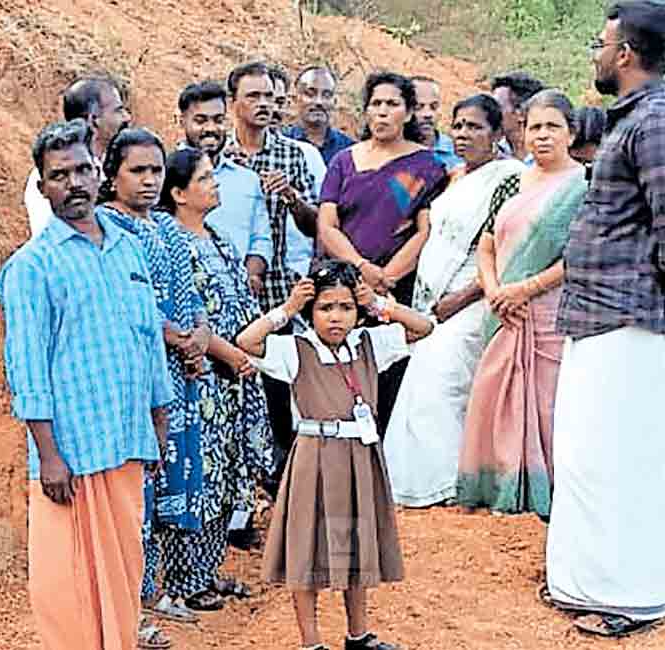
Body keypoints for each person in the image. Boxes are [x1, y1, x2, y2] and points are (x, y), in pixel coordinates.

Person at [544, 1, 665, 638]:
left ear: (626, 54)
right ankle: (581, 582)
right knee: (585, 453)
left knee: (620, 459)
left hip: (628, 315)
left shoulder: (660, 121)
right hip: (596, 315)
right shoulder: (630, 119)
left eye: (600, 43)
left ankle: (631, 596)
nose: (596, 53)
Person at [0, 119, 171, 650]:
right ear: (43, 186)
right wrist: (48, 454)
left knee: (122, 580)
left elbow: (149, 344)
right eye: (58, 175)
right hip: (69, 456)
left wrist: (158, 425)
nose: (73, 183)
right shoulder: (31, 267)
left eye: (81, 170)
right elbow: (26, 367)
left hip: (125, 442)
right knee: (67, 588)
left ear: (98, 173)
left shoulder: (129, 250)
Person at [236, 261, 435, 650]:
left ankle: (357, 635)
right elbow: (247, 342)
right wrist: (286, 310)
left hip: (359, 455)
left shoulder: (368, 343)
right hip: (315, 456)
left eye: (345, 307)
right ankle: (311, 642)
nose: (336, 317)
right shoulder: (296, 349)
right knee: (307, 550)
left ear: (357, 310)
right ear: (311, 312)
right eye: (325, 308)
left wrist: (379, 303)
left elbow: (423, 327)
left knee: (356, 544)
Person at [383, 94, 526, 507]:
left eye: (475, 127)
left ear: (498, 134)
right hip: (434, 302)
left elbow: (502, 250)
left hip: (472, 298)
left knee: (444, 386)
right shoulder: (454, 176)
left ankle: (450, 486)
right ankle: (417, 486)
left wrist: (461, 298)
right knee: (420, 388)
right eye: (458, 126)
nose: (463, 134)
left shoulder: (510, 178)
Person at [96, 128, 214, 627]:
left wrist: (201, 336)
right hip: (140, 371)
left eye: (156, 171)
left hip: (181, 372)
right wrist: (174, 337)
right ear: (113, 175)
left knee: (175, 476)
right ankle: (132, 600)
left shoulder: (167, 226)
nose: (148, 180)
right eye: (136, 171)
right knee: (138, 486)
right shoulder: (106, 225)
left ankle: (161, 590)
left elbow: (193, 290)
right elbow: (125, 297)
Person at [455, 90, 586, 517]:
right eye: (534, 127)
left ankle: (544, 496)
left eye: (553, 127)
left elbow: (578, 257)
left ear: (572, 132)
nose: (542, 136)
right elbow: (486, 245)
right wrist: (495, 290)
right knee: (495, 395)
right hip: (501, 311)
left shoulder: (584, 186)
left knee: (547, 403)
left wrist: (523, 289)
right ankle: (497, 489)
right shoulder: (511, 182)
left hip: (546, 312)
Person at [160, 148, 275, 606]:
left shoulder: (220, 240)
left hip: (235, 376)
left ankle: (208, 571)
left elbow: (239, 306)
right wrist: (230, 354)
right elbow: (189, 317)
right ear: (179, 193)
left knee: (227, 474)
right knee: (199, 476)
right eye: (205, 179)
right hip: (201, 377)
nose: (216, 184)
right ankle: (186, 581)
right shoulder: (174, 244)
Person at [317, 71, 448, 432]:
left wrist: (386, 278)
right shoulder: (344, 161)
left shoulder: (427, 166)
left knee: (389, 377)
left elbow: (425, 231)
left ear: (408, 113)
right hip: (342, 287)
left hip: (395, 290)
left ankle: (384, 471)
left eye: (392, 104)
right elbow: (327, 224)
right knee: (339, 373)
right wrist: (360, 268)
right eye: (376, 104)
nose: (383, 112)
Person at [221, 61, 323, 496]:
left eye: (270, 98)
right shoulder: (216, 158)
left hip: (282, 285)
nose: (264, 105)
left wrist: (291, 197)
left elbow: (314, 224)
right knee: (235, 381)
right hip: (230, 285)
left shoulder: (293, 154)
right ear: (233, 104)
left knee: (281, 387)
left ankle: (282, 480)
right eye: (254, 97)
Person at [179, 80, 271, 298]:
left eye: (218, 120)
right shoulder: (165, 176)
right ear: (181, 121)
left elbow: (261, 239)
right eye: (200, 120)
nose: (211, 128)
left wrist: (250, 275)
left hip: (238, 302)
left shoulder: (247, 180)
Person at [24, 76, 132, 238]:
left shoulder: (114, 167)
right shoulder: (48, 177)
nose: (126, 118)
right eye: (118, 110)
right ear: (93, 120)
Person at [285, 66, 357, 165]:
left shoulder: (349, 151)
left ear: (335, 102)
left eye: (326, 95)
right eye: (310, 94)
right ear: (296, 99)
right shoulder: (282, 144)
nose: (319, 102)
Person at [489, 71, 545, 161]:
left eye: (497, 106)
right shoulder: (488, 152)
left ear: (521, 113)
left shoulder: (550, 155)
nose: (490, 112)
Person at [412, 75, 462, 169]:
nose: (428, 114)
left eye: (433, 107)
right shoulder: (392, 150)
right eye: (418, 107)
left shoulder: (457, 152)